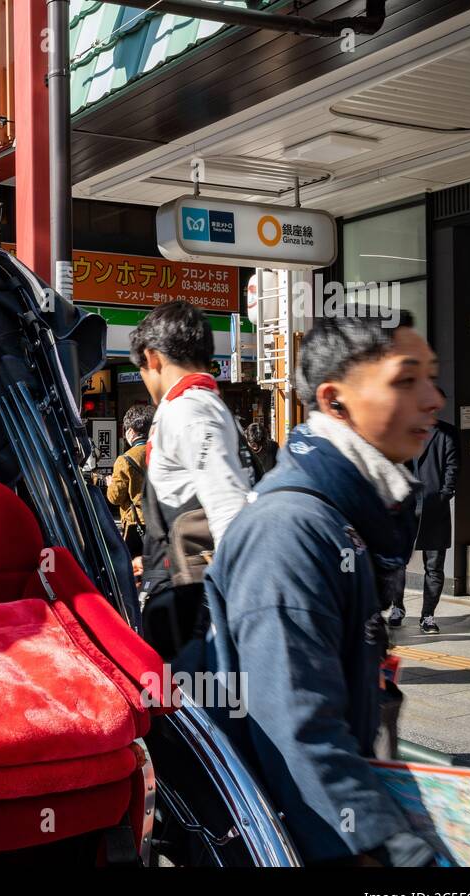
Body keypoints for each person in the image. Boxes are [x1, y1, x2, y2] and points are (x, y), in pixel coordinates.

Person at [197, 311, 445, 866]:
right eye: (406, 380)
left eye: (432, 376)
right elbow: (298, 727)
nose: (433, 398)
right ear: (336, 400)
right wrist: (395, 853)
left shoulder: (349, 517)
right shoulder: (291, 530)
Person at [130, 300, 253, 658]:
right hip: (183, 593)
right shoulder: (207, 405)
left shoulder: (190, 410)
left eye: (142, 368)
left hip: (189, 610)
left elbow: (229, 510)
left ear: (153, 358)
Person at [385, 388, 459, 635]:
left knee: (434, 566)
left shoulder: (447, 433)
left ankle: (428, 615)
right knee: (398, 563)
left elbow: (453, 467)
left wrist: (443, 495)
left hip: (434, 509)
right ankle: (398, 608)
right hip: (405, 508)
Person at [107, 403, 153, 562]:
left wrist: (110, 484)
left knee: (135, 567)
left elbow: (115, 497)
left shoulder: (125, 460)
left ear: (130, 431)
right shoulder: (162, 452)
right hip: (161, 521)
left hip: (137, 524)